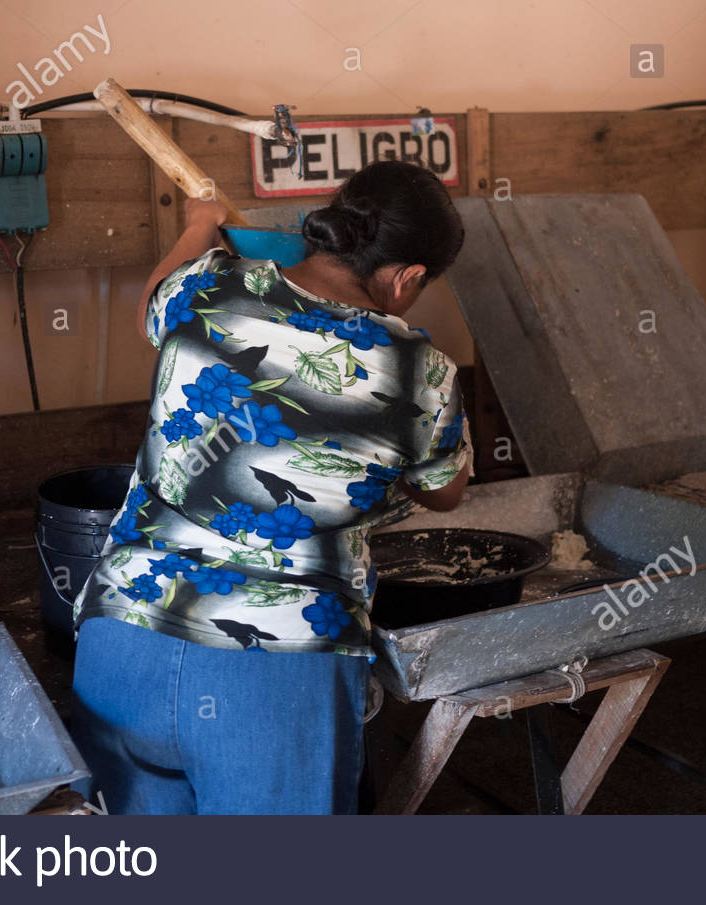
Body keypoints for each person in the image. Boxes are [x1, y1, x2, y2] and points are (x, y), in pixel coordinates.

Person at [69, 159, 472, 814]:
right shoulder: (421, 372)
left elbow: (150, 303)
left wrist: (201, 223)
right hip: (276, 675)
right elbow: (446, 491)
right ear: (408, 278)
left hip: (125, 641)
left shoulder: (210, 286)